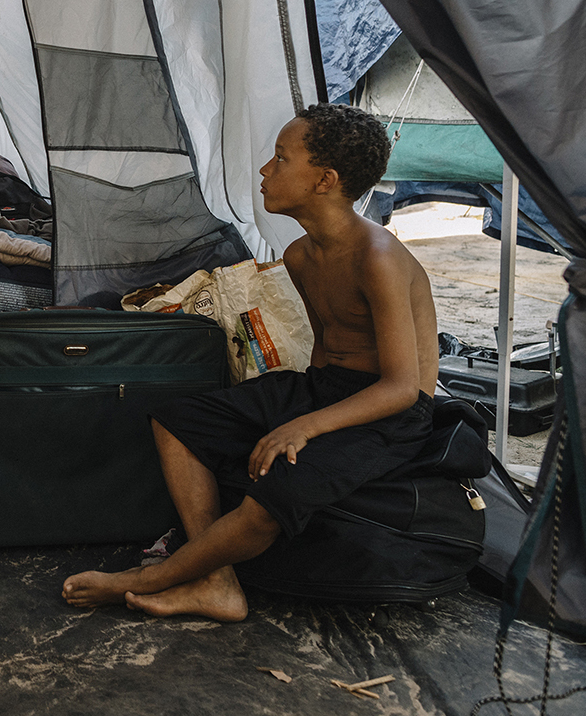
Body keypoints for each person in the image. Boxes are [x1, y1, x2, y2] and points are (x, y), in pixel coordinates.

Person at [62, 103, 438, 622]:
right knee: (178, 422)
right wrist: (294, 409)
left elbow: (402, 388)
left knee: (276, 492)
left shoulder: (378, 257)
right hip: (327, 386)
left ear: (325, 180)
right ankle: (217, 583)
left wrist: (303, 427)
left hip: (391, 412)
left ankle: (153, 577)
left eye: (281, 158)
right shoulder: (301, 256)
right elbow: (325, 352)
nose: (265, 170)